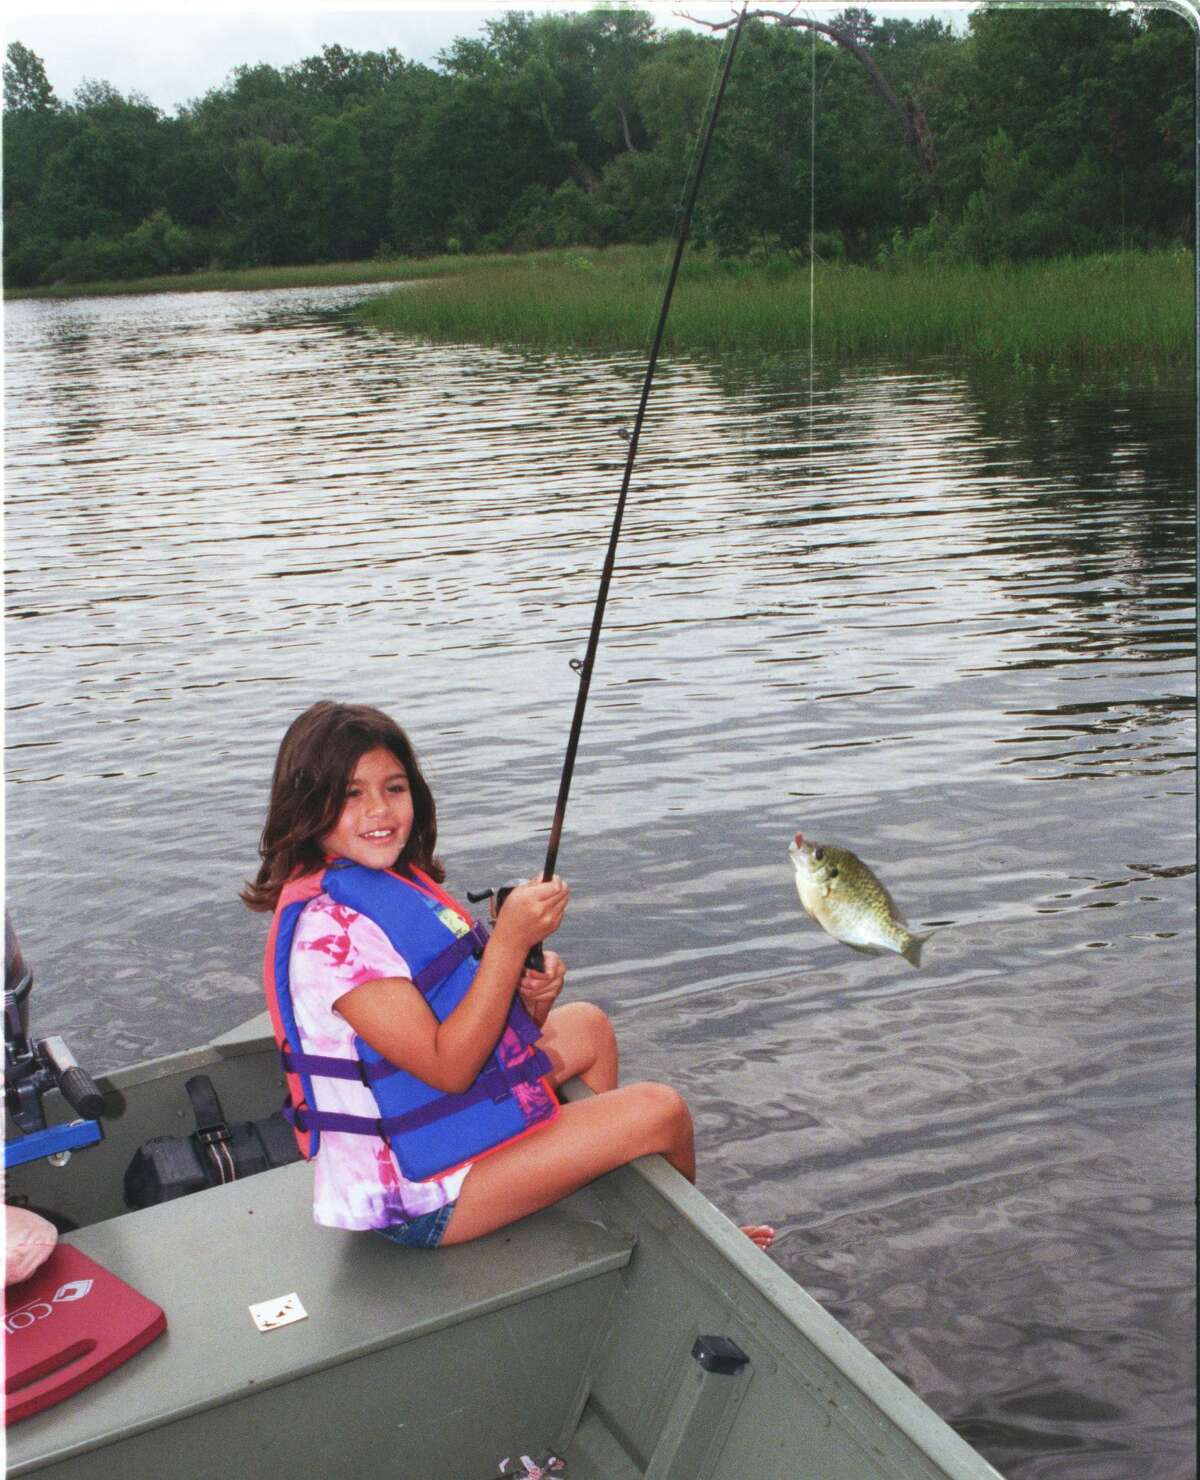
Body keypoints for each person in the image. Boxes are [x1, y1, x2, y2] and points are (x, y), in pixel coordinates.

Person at [244, 700, 774, 1253]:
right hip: (418, 1194)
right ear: (307, 806)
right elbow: (449, 1068)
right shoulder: (331, 936)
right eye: (352, 793)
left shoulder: (381, 889)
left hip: (447, 1131)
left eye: (394, 788)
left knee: (588, 1027)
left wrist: (529, 997)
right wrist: (509, 942)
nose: (379, 809)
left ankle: (591, 1187)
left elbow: (473, 1028)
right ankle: (697, 1253)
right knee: (660, 1112)